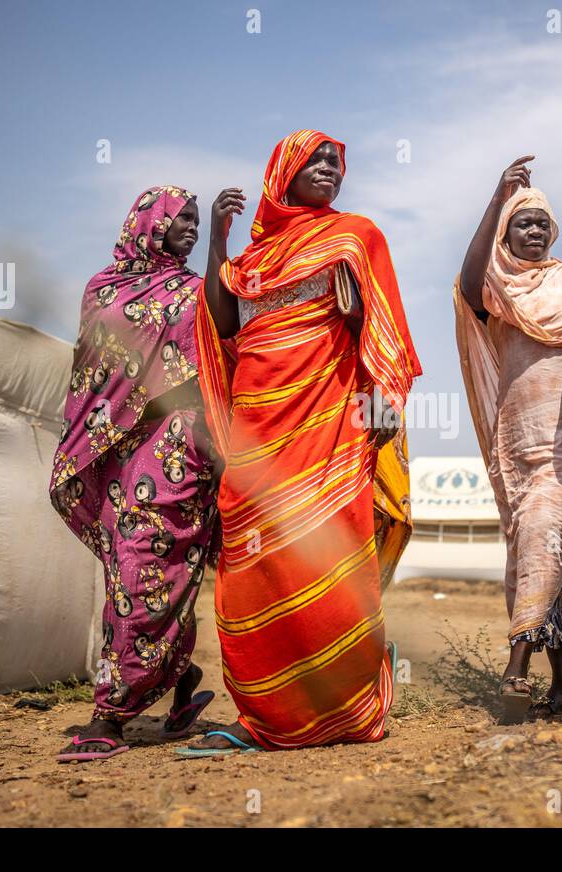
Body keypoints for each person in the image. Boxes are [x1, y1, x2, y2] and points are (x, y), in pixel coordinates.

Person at [182, 129, 421, 755]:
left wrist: (369, 364)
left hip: (331, 419)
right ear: (281, 170)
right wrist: (216, 240)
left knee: (331, 558)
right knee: (252, 562)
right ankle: (267, 711)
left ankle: (344, 708)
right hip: (257, 428)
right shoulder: (251, 259)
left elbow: (385, 325)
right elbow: (226, 320)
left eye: (336, 163)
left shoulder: (355, 235)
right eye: (315, 159)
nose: (329, 170)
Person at [50, 186, 219, 762]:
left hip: (178, 445)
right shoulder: (104, 288)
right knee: (133, 574)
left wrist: (221, 239)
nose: (191, 229)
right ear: (150, 223)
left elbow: (219, 354)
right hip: (115, 447)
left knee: (147, 563)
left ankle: (110, 716)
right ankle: (181, 674)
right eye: (184, 219)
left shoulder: (199, 289)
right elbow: (91, 371)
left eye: (197, 221)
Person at [454, 156, 562, 723]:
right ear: (506, 234)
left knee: (543, 531)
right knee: (540, 544)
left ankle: (515, 674)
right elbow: (468, 282)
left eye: (542, 223)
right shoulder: (496, 286)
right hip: (520, 439)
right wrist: (497, 197)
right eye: (523, 223)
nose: (534, 231)